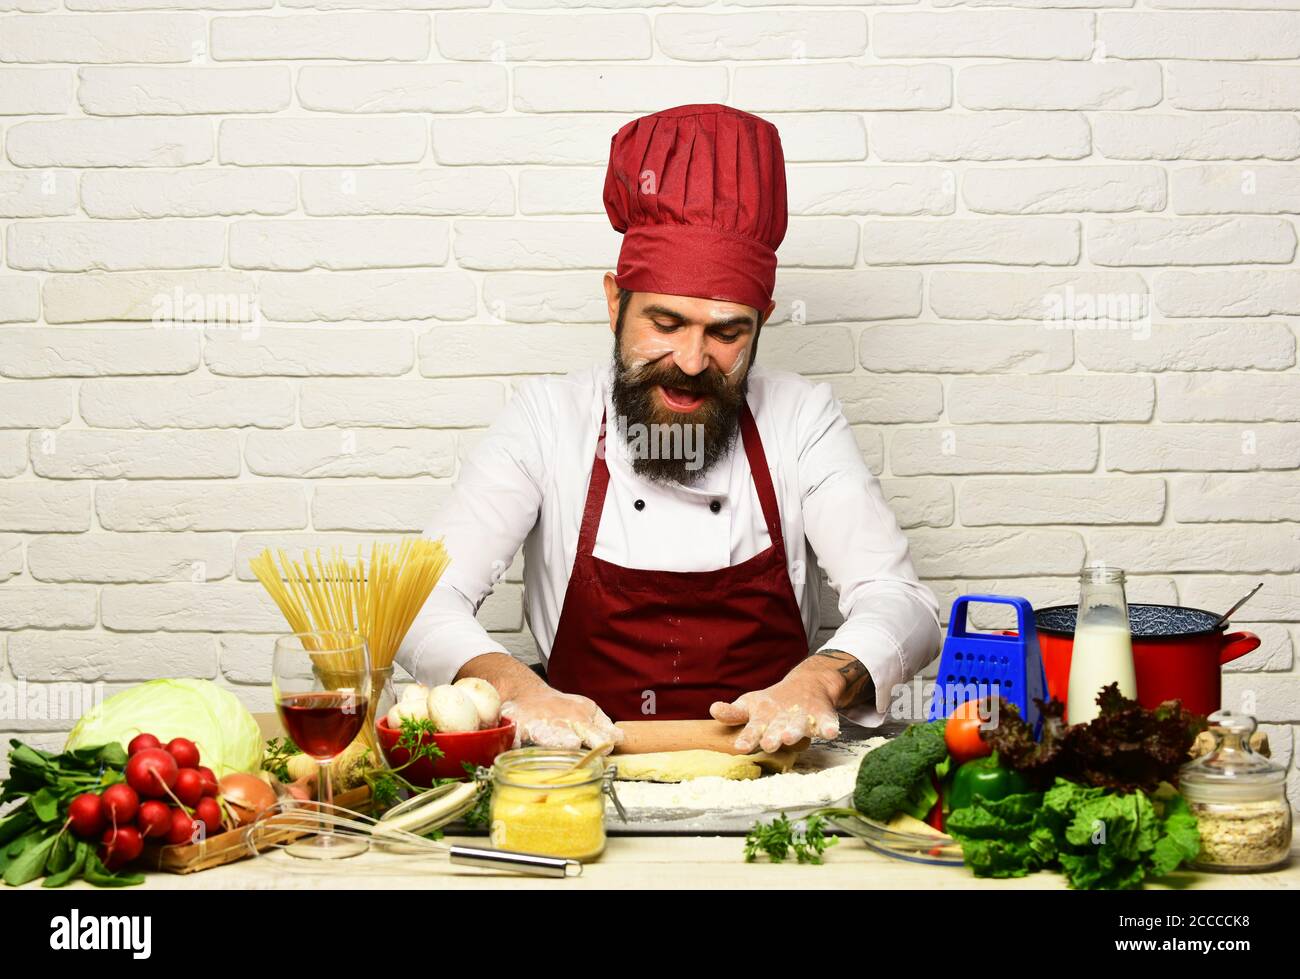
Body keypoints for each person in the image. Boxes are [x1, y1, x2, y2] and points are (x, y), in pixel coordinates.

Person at [398, 104, 940, 754]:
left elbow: (901, 601)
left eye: (725, 331)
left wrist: (822, 681)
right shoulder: (546, 420)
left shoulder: (800, 417)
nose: (690, 361)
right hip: (579, 789)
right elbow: (420, 600)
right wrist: (518, 691)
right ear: (613, 303)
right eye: (665, 322)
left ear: (760, 326)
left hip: (778, 784)